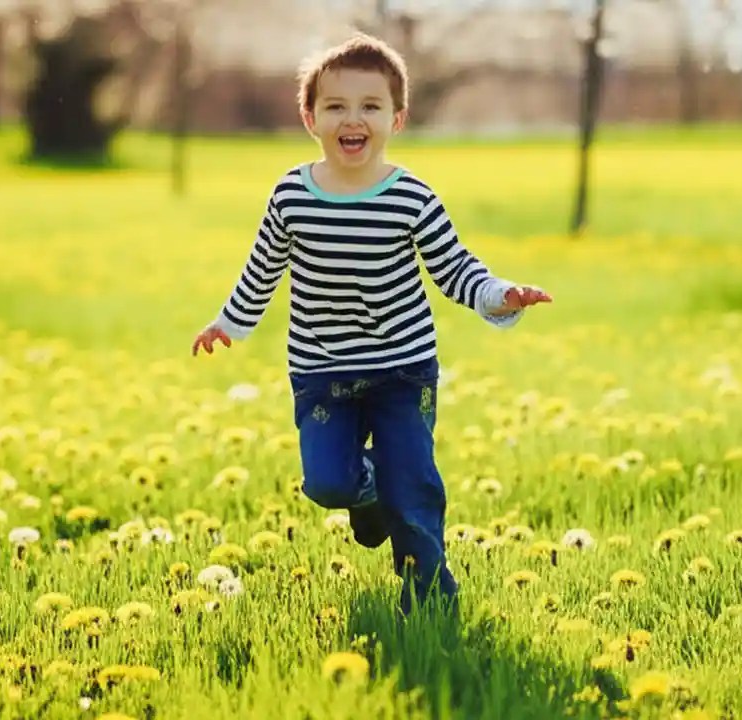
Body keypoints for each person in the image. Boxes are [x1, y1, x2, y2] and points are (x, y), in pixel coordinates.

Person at [191, 33, 551, 614]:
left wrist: (499, 294)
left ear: (397, 118)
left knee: (414, 488)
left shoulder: (411, 197)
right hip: (321, 370)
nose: (351, 119)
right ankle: (369, 489)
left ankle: (430, 599)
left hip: (402, 370)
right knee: (326, 484)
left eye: (370, 107)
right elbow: (261, 271)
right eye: (335, 106)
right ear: (310, 117)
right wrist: (228, 324)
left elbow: (454, 267)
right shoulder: (291, 196)